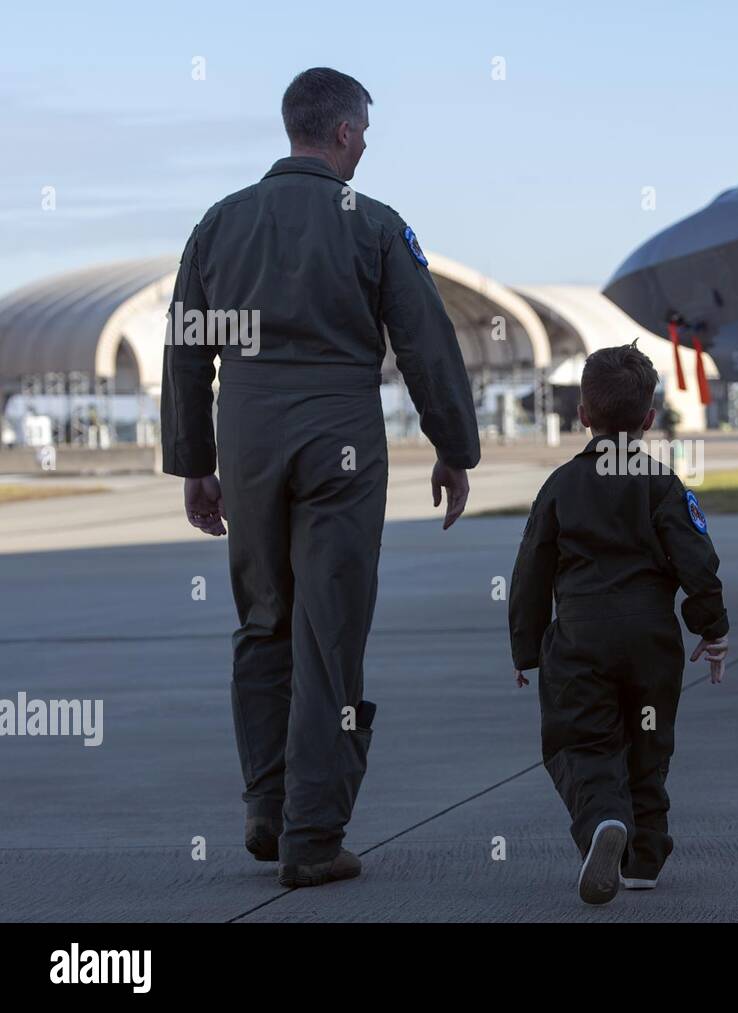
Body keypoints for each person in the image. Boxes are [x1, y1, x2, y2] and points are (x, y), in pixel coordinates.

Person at [161, 67, 480, 888]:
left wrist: (196, 461)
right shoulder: (373, 225)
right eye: (364, 130)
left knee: (264, 619)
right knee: (329, 636)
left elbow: (187, 352)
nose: (367, 143)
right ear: (340, 132)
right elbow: (425, 346)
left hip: (250, 441)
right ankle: (312, 836)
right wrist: (455, 447)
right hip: (338, 437)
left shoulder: (218, 225)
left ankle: (266, 805)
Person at [508, 342, 730, 905]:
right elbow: (697, 559)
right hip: (652, 642)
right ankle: (644, 858)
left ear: (582, 414)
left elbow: (531, 570)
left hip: (581, 639)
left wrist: (526, 649)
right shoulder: (662, 484)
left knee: (581, 742)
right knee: (649, 745)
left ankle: (604, 821)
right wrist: (713, 626)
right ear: (649, 419)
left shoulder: (559, 486)